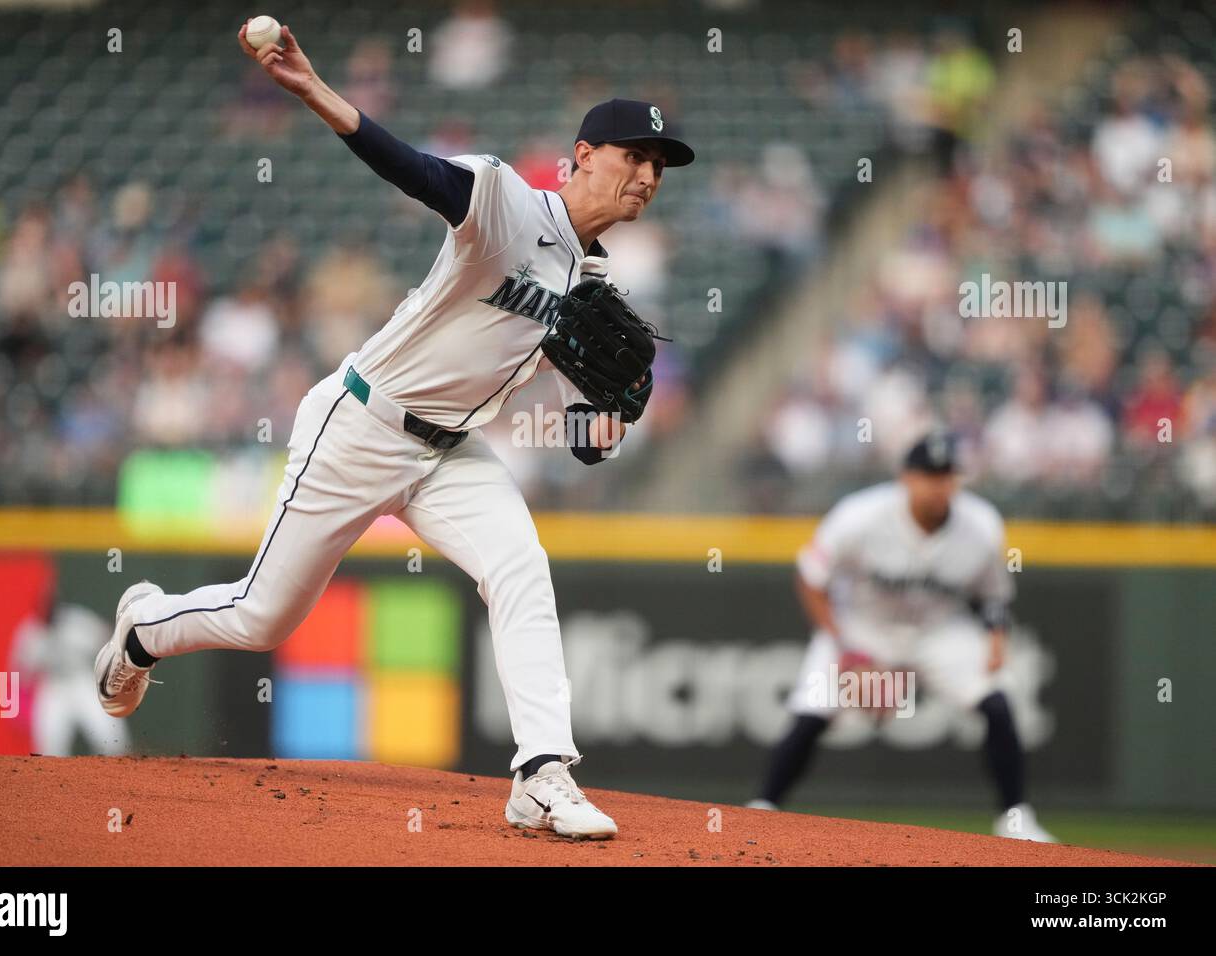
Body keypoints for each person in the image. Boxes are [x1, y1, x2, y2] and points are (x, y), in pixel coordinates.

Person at [94, 19, 695, 840]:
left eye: (659, 165)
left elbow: (588, 444)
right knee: (263, 619)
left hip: (451, 453)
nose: (649, 175)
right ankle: (143, 631)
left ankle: (540, 773)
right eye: (635, 156)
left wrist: (616, 415)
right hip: (361, 427)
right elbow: (413, 170)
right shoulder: (507, 200)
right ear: (583, 155)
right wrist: (315, 91)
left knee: (520, 565)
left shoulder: (588, 284)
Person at [747, 430, 1056, 843]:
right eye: (928, 474)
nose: (938, 484)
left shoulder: (981, 525)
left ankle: (1016, 821)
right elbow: (811, 578)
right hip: (861, 626)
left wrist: (996, 636)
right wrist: (845, 648)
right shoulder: (860, 516)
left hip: (937, 631)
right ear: (906, 478)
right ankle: (763, 807)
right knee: (812, 710)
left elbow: (992, 594)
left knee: (1000, 700)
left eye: (946, 475)